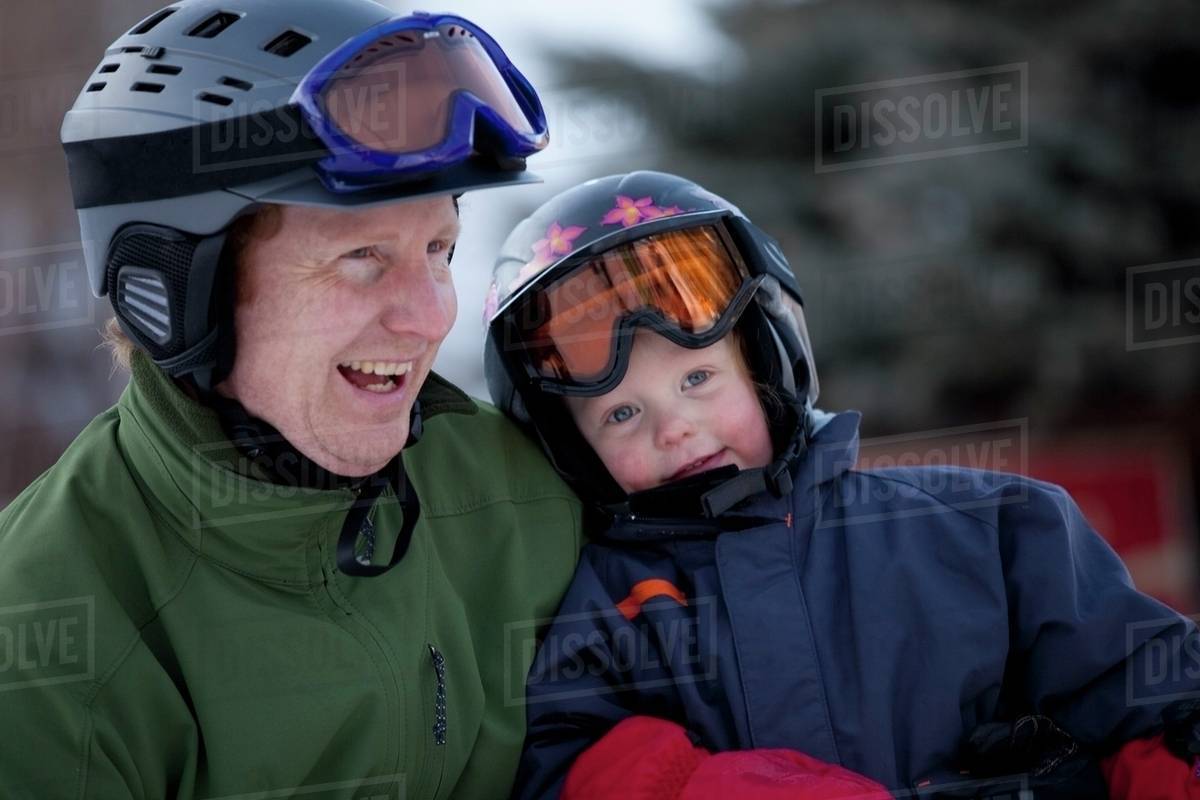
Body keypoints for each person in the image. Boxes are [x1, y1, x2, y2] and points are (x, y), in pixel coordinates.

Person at [0, 1, 584, 797]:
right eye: (362, 256)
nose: (429, 317)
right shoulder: (45, 639)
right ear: (175, 288)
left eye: (439, 249)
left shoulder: (525, 497)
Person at [482, 171, 1200, 798]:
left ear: (770, 360)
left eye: (697, 378)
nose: (673, 429)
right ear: (572, 448)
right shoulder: (607, 605)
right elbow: (564, 765)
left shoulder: (984, 529)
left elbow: (1154, 699)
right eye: (623, 414)